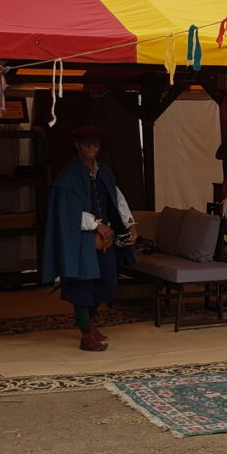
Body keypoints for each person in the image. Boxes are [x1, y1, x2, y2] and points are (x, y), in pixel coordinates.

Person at [41, 125, 137, 352]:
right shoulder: (68, 176)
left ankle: (91, 323)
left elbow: (117, 198)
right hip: (81, 239)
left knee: (107, 283)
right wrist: (96, 225)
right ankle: (85, 333)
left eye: (96, 144)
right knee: (82, 285)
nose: (92, 148)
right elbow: (67, 211)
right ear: (77, 145)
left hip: (105, 240)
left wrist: (130, 223)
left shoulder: (104, 171)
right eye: (87, 144)